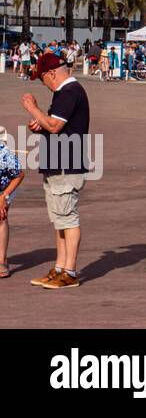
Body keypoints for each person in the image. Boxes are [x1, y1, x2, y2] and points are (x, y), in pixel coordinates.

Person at [21, 53, 91, 290]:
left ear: (51, 74)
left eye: (42, 79)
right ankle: (60, 268)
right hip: (58, 162)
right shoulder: (64, 94)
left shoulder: (69, 92)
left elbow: (54, 125)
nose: (44, 84)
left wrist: (33, 108)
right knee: (59, 219)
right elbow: (54, 128)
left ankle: (69, 272)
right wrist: (40, 125)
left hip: (66, 163)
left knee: (67, 218)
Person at [0, 126, 24, 279]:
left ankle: (1, 259)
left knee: (0, 217)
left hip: (5, 187)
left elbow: (19, 174)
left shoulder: (3, 154)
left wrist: (4, 197)